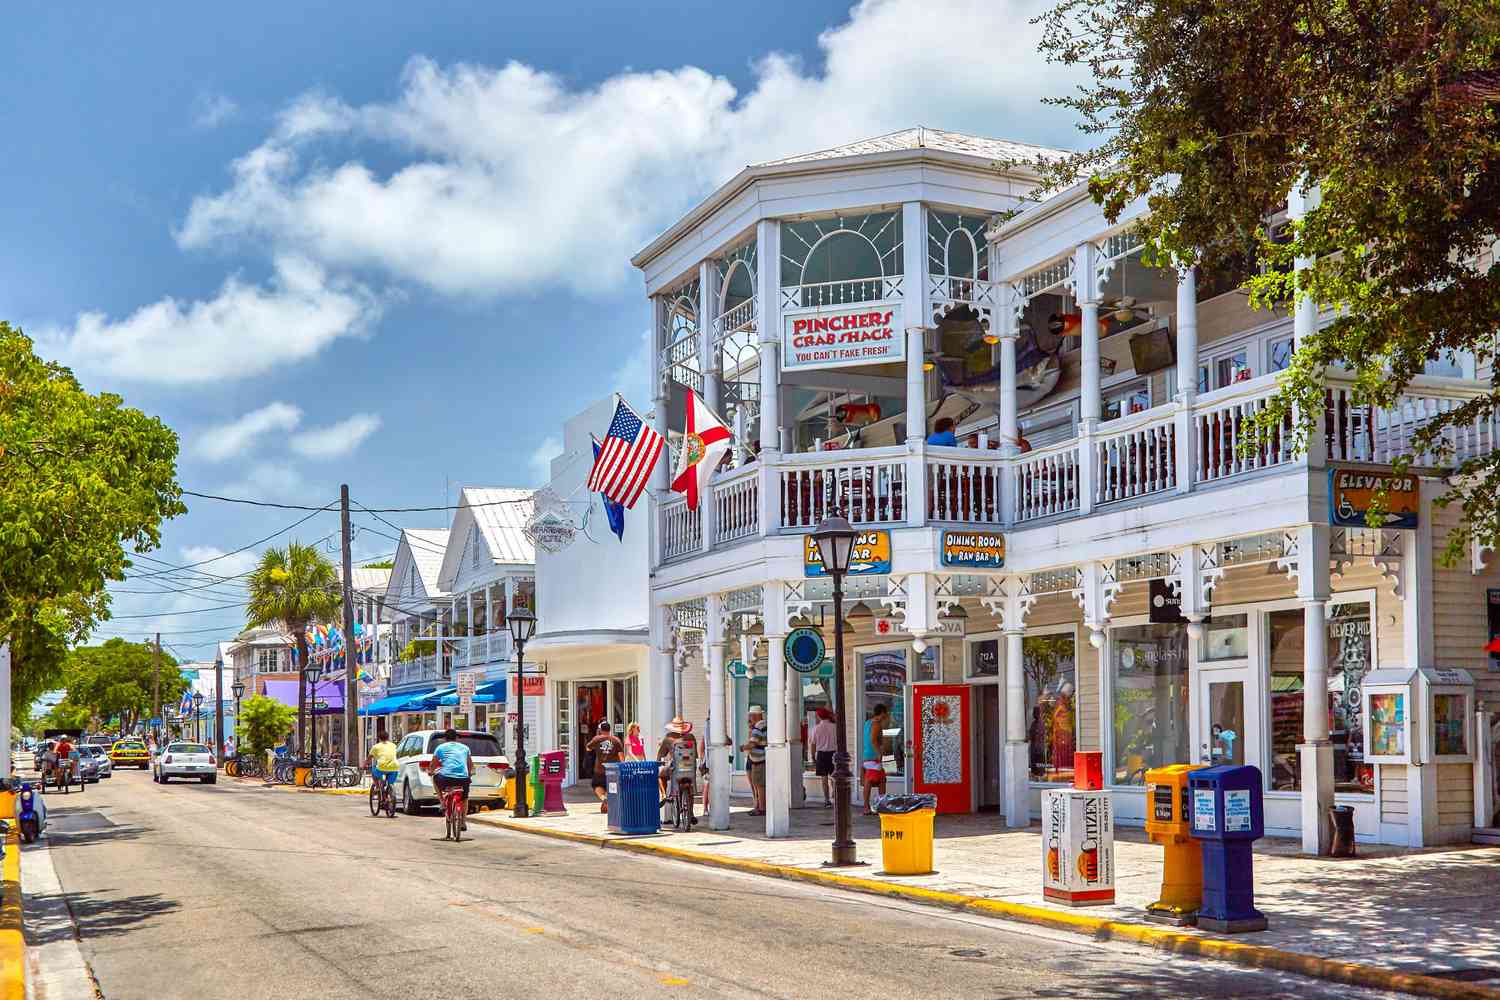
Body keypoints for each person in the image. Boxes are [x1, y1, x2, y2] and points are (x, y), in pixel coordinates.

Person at [655, 717, 699, 827]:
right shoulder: (691, 737)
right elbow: (696, 755)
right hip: (690, 768)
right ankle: (691, 812)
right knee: (691, 788)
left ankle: (664, 794)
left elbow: (660, 755)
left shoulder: (668, 738)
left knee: (659, 774)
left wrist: (659, 761)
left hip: (675, 768)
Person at [430, 729, 473, 831]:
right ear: (456, 738)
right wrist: (469, 774)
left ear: (445, 738)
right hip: (463, 779)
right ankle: (463, 821)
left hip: (446, 778)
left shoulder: (440, 748)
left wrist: (431, 771)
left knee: (434, 779)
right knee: (465, 798)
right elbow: (470, 765)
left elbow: (433, 764)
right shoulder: (465, 748)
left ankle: (442, 803)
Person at [584, 721, 626, 813]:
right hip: (613, 770)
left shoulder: (597, 739)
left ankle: (604, 798)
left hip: (599, 770)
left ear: (600, 730)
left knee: (596, 785)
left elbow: (588, 748)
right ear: (610, 729)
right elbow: (621, 757)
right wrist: (623, 768)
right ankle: (608, 800)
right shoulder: (616, 740)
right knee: (611, 787)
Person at [861, 705, 889, 814]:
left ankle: (868, 806)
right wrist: (879, 753)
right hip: (874, 756)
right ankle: (875, 806)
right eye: (885, 713)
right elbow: (873, 740)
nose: (886, 715)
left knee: (877, 779)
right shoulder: (876, 724)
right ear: (882, 712)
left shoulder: (868, 722)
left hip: (867, 755)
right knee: (876, 780)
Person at [740, 706, 767, 817]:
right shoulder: (765, 725)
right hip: (761, 759)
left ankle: (761, 808)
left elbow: (752, 744)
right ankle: (760, 806)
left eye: (751, 715)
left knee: (759, 785)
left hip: (759, 760)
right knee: (758, 785)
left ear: (755, 715)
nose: (749, 717)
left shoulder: (758, 728)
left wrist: (742, 747)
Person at [810, 708, 838, 807]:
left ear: (819, 716)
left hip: (822, 754)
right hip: (834, 754)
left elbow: (813, 744)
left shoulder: (816, 728)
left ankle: (827, 800)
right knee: (834, 777)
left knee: (824, 778)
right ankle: (836, 796)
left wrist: (813, 756)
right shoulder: (834, 727)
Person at [367, 726, 399, 799]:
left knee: (373, 772)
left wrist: (364, 765)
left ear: (379, 738)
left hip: (382, 767)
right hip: (395, 767)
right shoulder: (393, 745)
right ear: (388, 738)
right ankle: (390, 796)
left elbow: (369, 758)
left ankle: (378, 787)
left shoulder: (376, 747)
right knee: (390, 783)